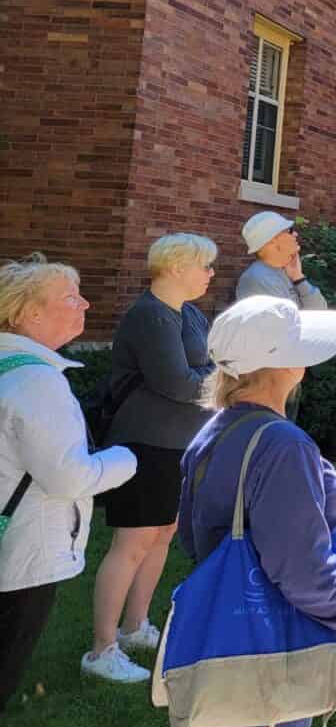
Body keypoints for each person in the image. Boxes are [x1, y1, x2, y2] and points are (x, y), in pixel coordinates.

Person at [179, 296, 336, 727]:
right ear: (289, 366)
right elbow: (302, 570)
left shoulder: (216, 429)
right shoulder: (282, 445)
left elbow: (191, 535)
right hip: (275, 636)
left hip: (229, 628)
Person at [0, 256, 137, 712]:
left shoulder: (9, 367)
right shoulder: (37, 382)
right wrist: (126, 458)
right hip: (23, 554)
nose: (85, 303)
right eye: (70, 297)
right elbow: (68, 477)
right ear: (29, 313)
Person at [85, 234, 217, 685]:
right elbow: (178, 384)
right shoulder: (150, 316)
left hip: (179, 445)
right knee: (133, 543)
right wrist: (215, 378)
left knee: (162, 534)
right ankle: (102, 648)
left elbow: (210, 366)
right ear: (177, 266)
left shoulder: (191, 313)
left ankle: (135, 625)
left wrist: (209, 375)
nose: (211, 274)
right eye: (205, 265)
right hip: (143, 445)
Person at [236, 211, 327, 310]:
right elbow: (286, 323)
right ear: (272, 242)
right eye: (290, 230)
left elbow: (321, 311)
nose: (295, 234)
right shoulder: (258, 279)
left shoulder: (287, 271)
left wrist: (298, 278)